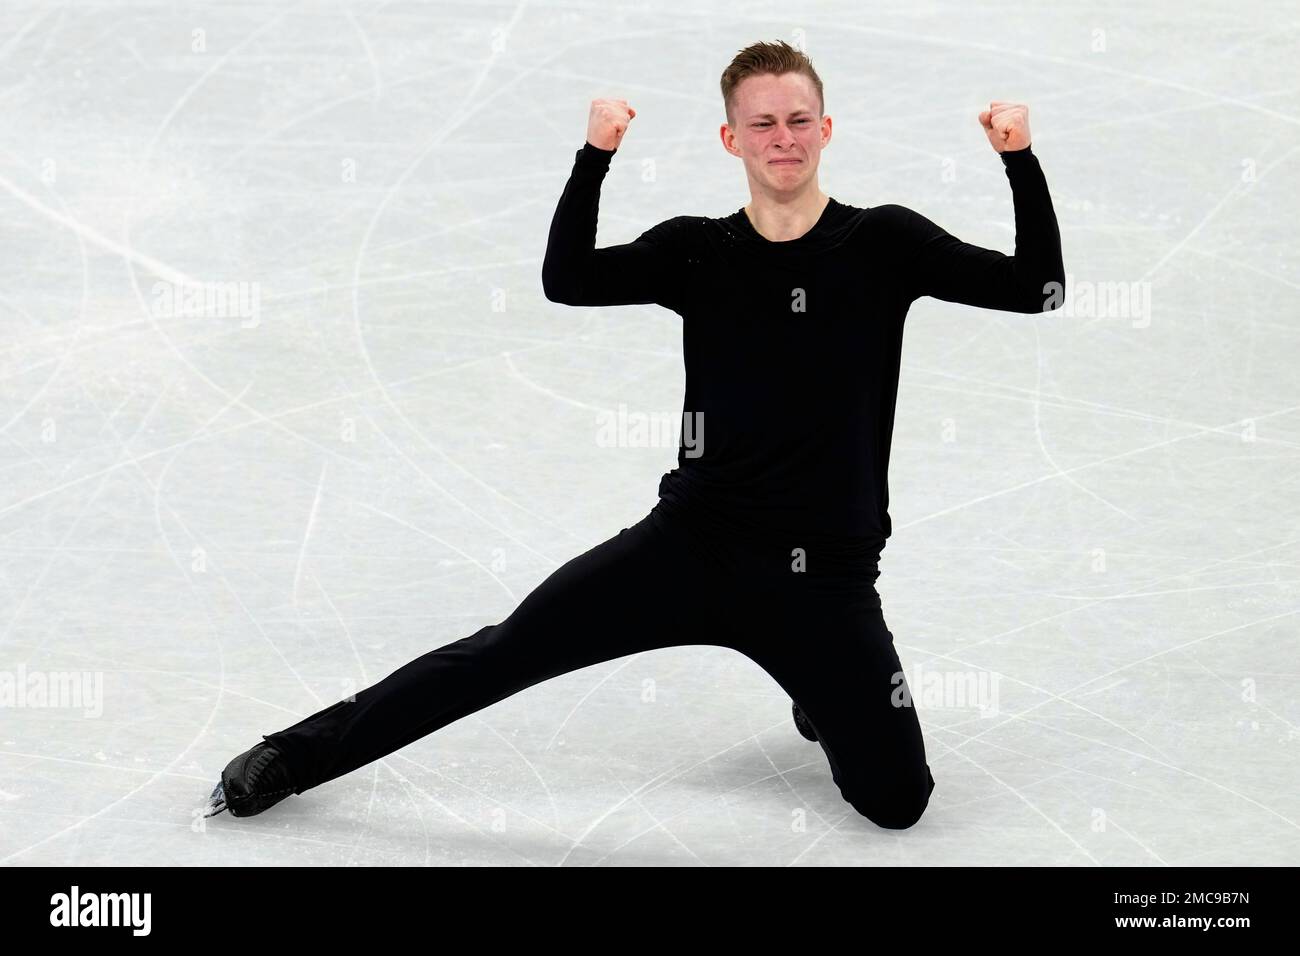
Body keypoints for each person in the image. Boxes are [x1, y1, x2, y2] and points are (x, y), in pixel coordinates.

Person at [204, 39, 1064, 831]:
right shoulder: (699, 251)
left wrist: (1018, 160)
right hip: (692, 546)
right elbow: (567, 280)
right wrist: (595, 157)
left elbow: (1039, 289)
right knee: (504, 652)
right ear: (732, 140)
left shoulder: (884, 242)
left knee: (897, 804)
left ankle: (817, 686)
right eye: (762, 123)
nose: (783, 137)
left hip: (823, 579)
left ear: (826, 129)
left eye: (799, 120)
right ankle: (294, 754)